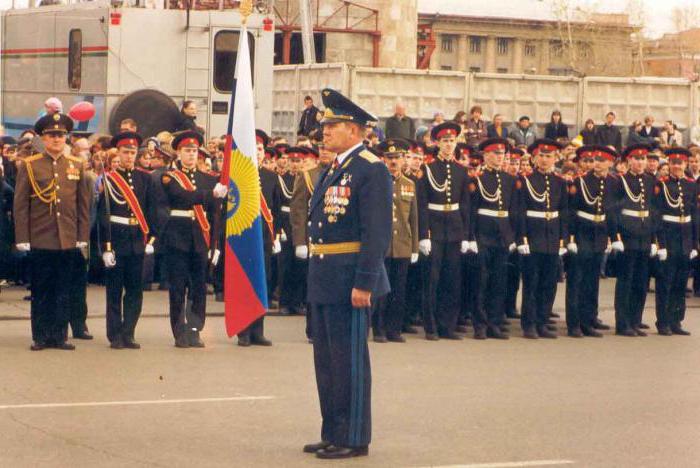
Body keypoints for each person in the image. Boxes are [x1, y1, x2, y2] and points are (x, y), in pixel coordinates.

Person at [303, 88, 392, 460]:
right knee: (327, 361)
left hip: (350, 279)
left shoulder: (370, 169)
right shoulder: (336, 168)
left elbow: (376, 232)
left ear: (354, 130)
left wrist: (364, 282)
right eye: (325, 125)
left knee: (349, 361)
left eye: (333, 125)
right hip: (325, 275)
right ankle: (333, 430)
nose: (325, 131)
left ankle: (354, 436)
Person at [14, 113, 91, 350]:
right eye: (51, 135)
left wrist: (82, 236)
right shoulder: (30, 164)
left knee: (63, 289)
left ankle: (59, 336)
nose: (57, 139)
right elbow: (20, 205)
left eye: (61, 135)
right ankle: (40, 336)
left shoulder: (77, 165)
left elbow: (83, 206)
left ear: (66, 138)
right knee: (41, 290)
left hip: (67, 238)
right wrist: (23, 237)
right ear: (43, 138)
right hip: (40, 236)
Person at [160, 131, 227, 348]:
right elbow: (181, 196)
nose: (191, 154)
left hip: (201, 238)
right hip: (177, 237)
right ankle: (179, 332)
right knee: (178, 287)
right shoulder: (170, 177)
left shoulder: (207, 179)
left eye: (194, 151)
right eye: (187, 151)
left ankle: (195, 330)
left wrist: (215, 244)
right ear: (178, 153)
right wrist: (211, 195)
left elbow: (215, 215)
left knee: (199, 288)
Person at [98, 132, 156, 349]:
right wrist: (105, 247)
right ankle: (114, 335)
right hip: (117, 240)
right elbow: (103, 216)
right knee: (114, 290)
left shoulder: (145, 178)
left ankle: (128, 332)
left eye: (133, 152)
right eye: (126, 152)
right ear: (118, 153)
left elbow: (151, 209)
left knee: (135, 290)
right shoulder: (109, 179)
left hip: (137, 241)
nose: (130, 156)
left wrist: (151, 239)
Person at [417, 122, 471, 341]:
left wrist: (466, 235)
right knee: (432, 279)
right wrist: (423, 235)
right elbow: (421, 204)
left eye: (452, 141)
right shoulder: (427, 169)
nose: (449, 145)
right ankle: (431, 327)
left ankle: (447, 325)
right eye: (445, 141)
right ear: (437, 143)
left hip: (454, 229)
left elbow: (465, 205)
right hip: (434, 229)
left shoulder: (461, 170)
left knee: (452, 279)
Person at [565, 145, 619, 338]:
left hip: (600, 234)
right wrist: (570, 238)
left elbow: (612, 212)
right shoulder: (579, 182)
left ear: (610, 163)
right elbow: (570, 211)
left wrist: (614, 237)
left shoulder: (613, 182)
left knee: (591, 281)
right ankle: (574, 324)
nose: (597, 164)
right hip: (582, 233)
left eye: (602, 160)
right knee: (576, 281)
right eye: (595, 160)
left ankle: (588, 321)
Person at [517, 139, 568, 339]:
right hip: (533, 236)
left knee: (549, 283)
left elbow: (563, 212)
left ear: (555, 158)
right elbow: (520, 212)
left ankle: (542, 321)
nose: (545, 160)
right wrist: (522, 239)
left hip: (552, 237)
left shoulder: (560, 181)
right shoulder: (526, 180)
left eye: (549, 156)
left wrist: (563, 239)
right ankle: (529, 324)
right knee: (531, 282)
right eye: (542, 156)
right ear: (534, 158)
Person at [470, 138, 518, 340]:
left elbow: (513, 210)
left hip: (502, 235)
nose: (499, 157)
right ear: (486, 156)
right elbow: (471, 211)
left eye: (502, 154)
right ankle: (480, 324)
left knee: (499, 281)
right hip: (483, 233)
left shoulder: (509, 180)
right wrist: (471, 237)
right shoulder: (477, 179)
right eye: (496, 154)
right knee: (481, 281)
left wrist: (513, 235)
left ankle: (495, 323)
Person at [371, 139, 418, 343]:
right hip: (382, 245)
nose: (394, 162)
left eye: (397, 158)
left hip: (402, 246)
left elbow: (413, 218)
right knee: (381, 290)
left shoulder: (409, 184)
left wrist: (414, 246)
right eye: (390, 158)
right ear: (383, 159)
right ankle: (379, 329)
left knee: (399, 290)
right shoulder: (375, 182)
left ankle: (394, 329)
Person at [612, 144, 656, 337]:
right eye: (636, 159)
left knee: (640, 281)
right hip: (628, 235)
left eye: (643, 159)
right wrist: (616, 237)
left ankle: (635, 320)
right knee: (626, 281)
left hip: (644, 235)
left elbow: (653, 211)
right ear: (629, 161)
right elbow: (613, 212)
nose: (640, 162)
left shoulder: (649, 181)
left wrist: (655, 240)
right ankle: (623, 323)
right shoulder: (620, 181)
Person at [654, 148, 697, 336]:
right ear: (669, 165)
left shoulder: (691, 185)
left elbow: (694, 215)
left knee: (680, 283)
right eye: (673, 163)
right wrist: (660, 244)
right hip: (669, 238)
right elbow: (657, 218)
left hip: (685, 238)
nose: (677, 166)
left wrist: (695, 244)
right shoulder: (661, 185)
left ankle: (676, 320)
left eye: (680, 163)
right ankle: (663, 322)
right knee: (665, 282)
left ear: (685, 164)